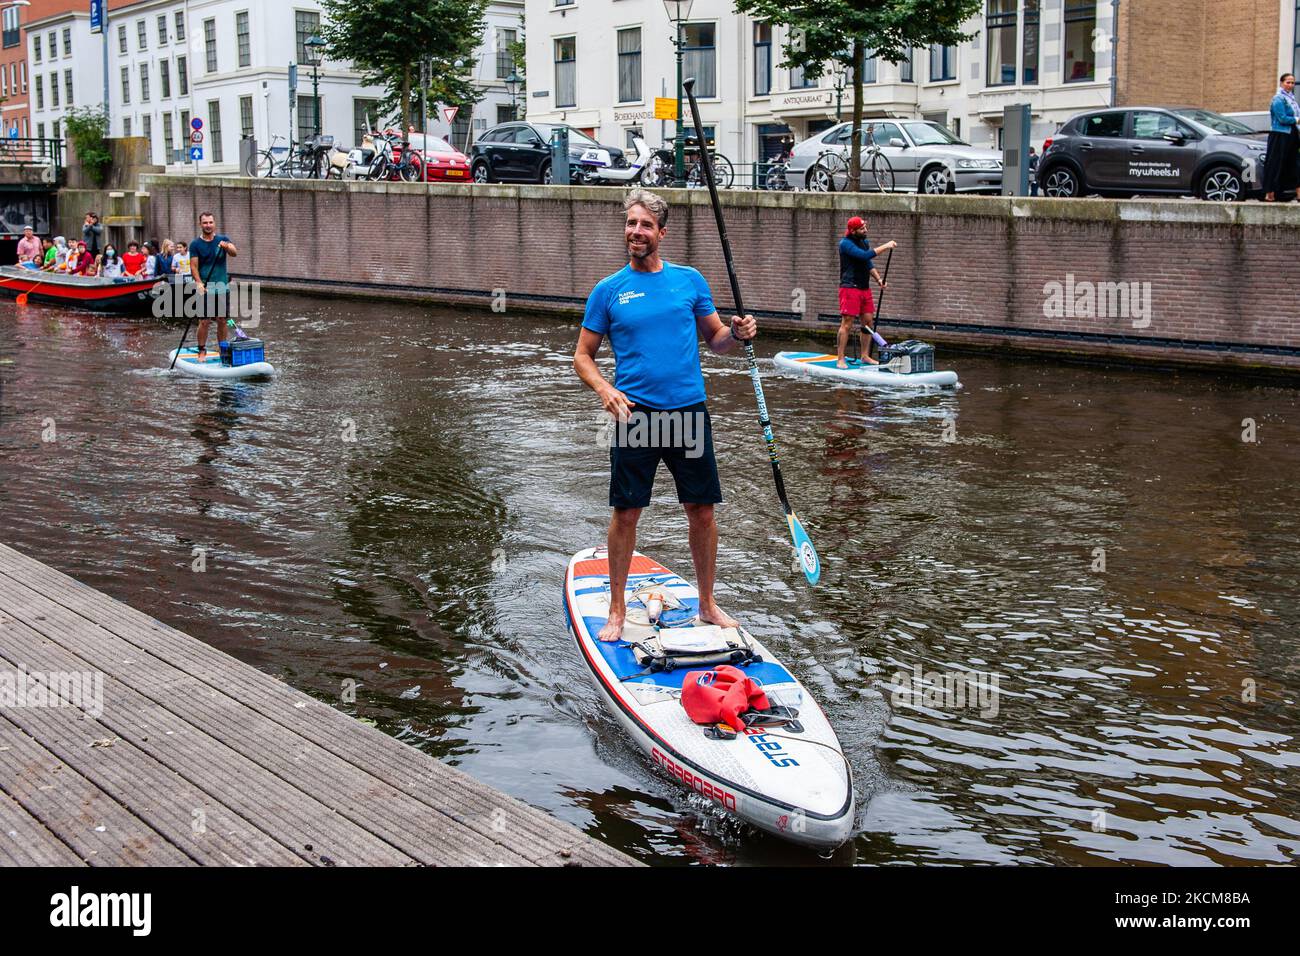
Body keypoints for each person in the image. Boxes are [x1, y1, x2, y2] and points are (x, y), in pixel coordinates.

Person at [573, 188, 757, 642]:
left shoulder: (690, 281)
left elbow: (716, 340)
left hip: (688, 412)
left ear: (662, 233)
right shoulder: (608, 290)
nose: (636, 232)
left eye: (645, 225)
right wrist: (605, 390)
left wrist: (736, 333)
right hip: (636, 414)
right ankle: (616, 610)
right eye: (631, 224)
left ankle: (708, 604)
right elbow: (582, 356)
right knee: (627, 512)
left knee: (701, 510)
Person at [836, 216, 896, 368]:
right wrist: (886, 246)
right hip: (850, 288)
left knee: (868, 322)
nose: (865, 230)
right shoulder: (845, 244)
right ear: (853, 230)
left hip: (864, 288)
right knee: (847, 324)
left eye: (865, 227)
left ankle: (864, 356)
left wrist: (879, 280)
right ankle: (840, 359)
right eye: (862, 229)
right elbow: (864, 255)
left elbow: (867, 263)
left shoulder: (864, 242)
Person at [190, 211, 239, 355]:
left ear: (214, 223)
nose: (208, 225)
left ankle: (222, 349)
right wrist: (198, 283)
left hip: (222, 287)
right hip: (205, 288)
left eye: (210, 222)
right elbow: (193, 266)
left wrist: (227, 247)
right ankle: (201, 350)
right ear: (200, 224)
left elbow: (234, 253)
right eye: (205, 222)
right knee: (205, 321)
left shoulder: (223, 239)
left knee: (223, 319)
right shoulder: (195, 244)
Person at [1263, 73, 1300, 202]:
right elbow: (1282, 118)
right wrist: (1297, 120)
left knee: (1293, 163)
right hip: (1279, 134)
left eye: (1292, 82)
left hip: (1291, 134)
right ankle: (1270, 193)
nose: (1290, 85)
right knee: (1275, 163)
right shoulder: (1278, 99)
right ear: (1281, 83)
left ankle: (1291, 192)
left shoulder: (1292, 99)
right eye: (1288, 82)